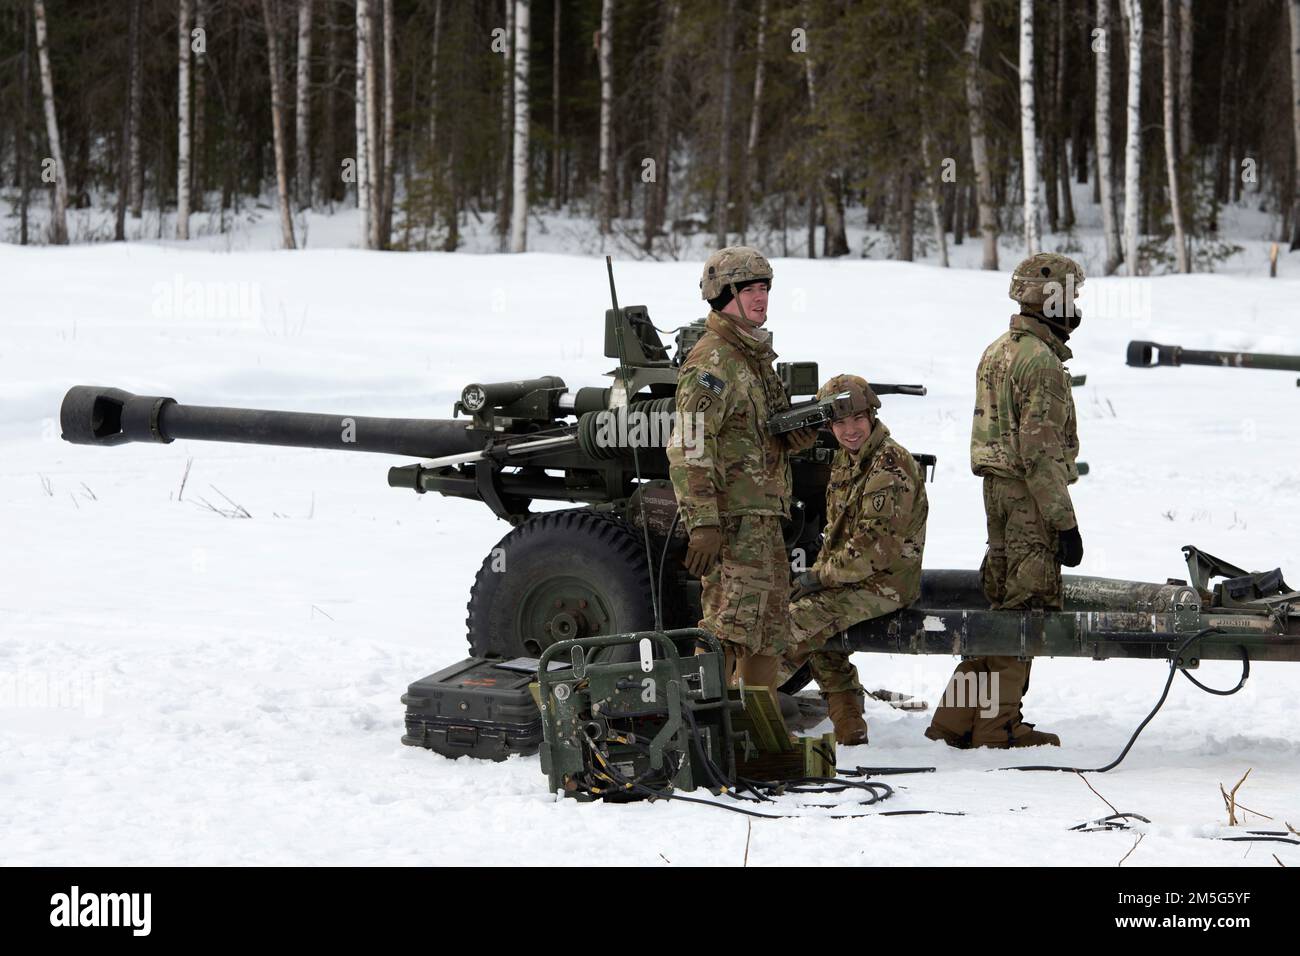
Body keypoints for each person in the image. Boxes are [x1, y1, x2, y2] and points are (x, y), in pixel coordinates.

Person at [926, 253, 1085, 749]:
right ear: (1050, 299)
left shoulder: (998, 349)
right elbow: (1039, 453)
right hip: (1028, 499)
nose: (1077, 306)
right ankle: (998, 728)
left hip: (997, 492)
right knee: (1023, 613)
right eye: (1071, 296)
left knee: (998, 608)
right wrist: (1064, 524)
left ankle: (954, 722)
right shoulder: (1042, 363)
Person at [666, 246, 817, 689]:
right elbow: (689, 446)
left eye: (765, 288)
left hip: (765, 519)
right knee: (727, 627)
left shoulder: (754, 360)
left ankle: (758, 736)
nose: (760, 298)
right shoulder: (714, 361)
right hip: (733, 522)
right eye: (748, 289)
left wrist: (792, 438)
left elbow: (757, 432)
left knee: (767, 631)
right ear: (721, 295)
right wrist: (703, 524)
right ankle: (703, 731)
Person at [782, 375, 928, 745]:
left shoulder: (889, 466)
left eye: (857, 420)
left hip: (885, 583)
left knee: (793, 626)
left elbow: (873, 549)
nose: (849, 430)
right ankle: (850, 727)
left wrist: (820, 577)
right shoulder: (850, 460)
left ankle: (738, 709)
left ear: (872, 416)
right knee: (810, 626)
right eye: (839, 423)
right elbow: (838, 534)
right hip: (857, 577)